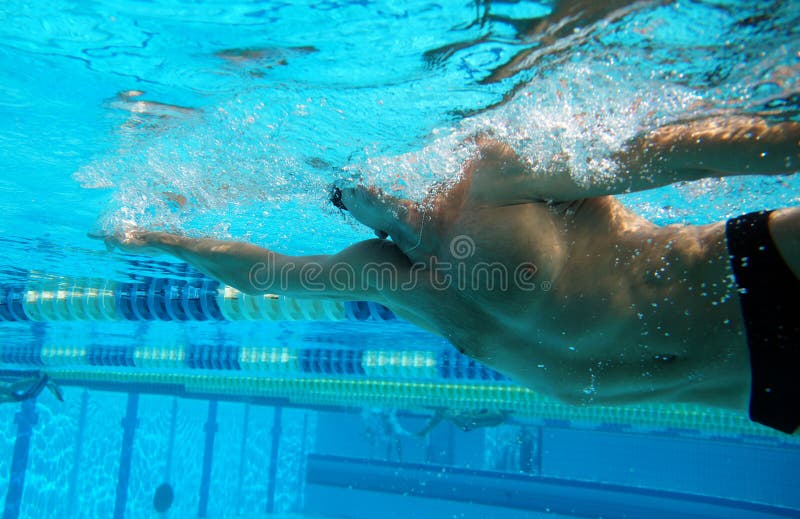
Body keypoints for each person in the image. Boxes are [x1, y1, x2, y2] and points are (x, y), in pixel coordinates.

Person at [102, 115, 800, 434]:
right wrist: (157, 236)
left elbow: (659, 158)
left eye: (365, 183)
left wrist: (785, 141)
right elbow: (268, 277)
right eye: (349, 198)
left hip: (755, 271)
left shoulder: (494, 175)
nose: (366, 201)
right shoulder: (388, 276)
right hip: (764, 392)